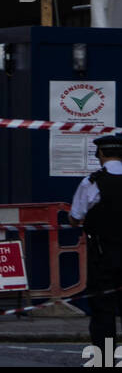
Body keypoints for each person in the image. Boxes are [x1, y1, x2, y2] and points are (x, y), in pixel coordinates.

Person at [70, 132, 122, 345]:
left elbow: (75, 218)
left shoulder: (92, 182)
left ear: (100, 153)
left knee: (103, 312)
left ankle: (105, 358)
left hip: (103, 256)